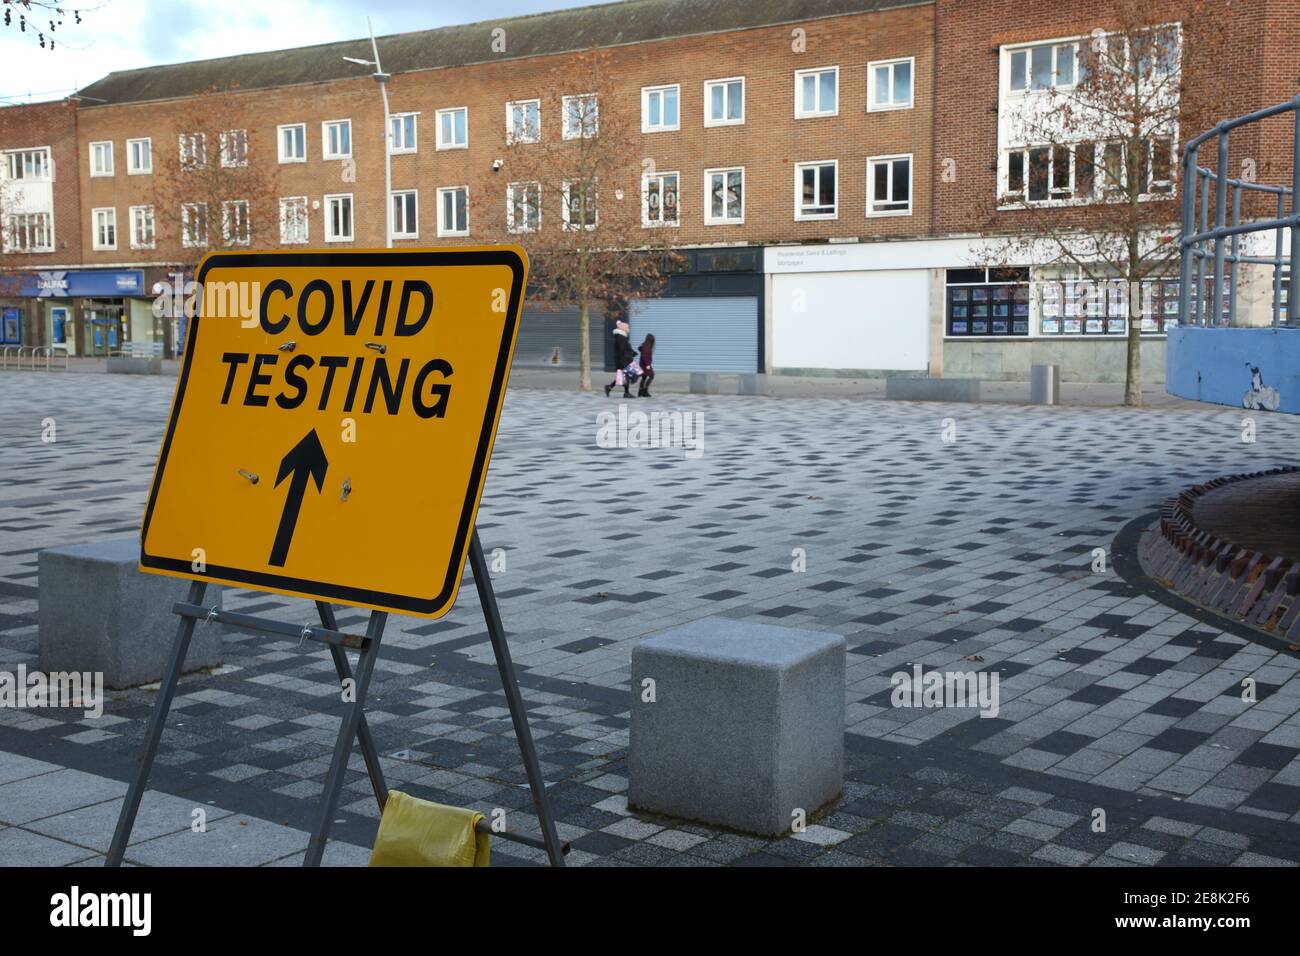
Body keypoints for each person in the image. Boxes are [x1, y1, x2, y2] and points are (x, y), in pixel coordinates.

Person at [604, 319, 636, 398]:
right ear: (623, 328)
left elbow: (625, 348)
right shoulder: (620, 338)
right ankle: (626, 393)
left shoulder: (622, 337)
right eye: (627, 327)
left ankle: (609, 387)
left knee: (622, 377)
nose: (628, 329)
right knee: (627, 376)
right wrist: (628, 356)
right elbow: (622, 351)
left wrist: (632, 352)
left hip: (623, 359)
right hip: (622, 360)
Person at [636, 333, 655, 397]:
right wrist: (647, 365)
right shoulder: (646, 347)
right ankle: (645, 391)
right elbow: (644, 356)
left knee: (644, 377)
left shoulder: (645, 345)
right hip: (645, 365)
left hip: (643, 365)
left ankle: (640, 392)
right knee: (652, 375)